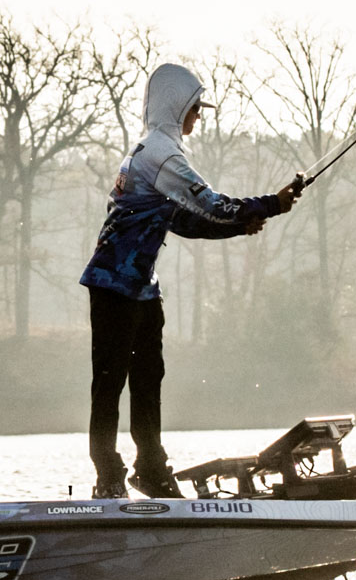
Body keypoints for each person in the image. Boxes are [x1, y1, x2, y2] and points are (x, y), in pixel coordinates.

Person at [80, 63, 301, 498]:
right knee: (109, 382)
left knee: (148, 378)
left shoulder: (156, 151)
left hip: (142, 288)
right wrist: (269, 205)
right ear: (176, 106)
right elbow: (213, 204)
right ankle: (108, 475)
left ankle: (149, 467)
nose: (199, 116)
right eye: (196, 108)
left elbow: (185, 220)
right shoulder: (161, 155)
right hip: (111, 285)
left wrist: (241, 224)